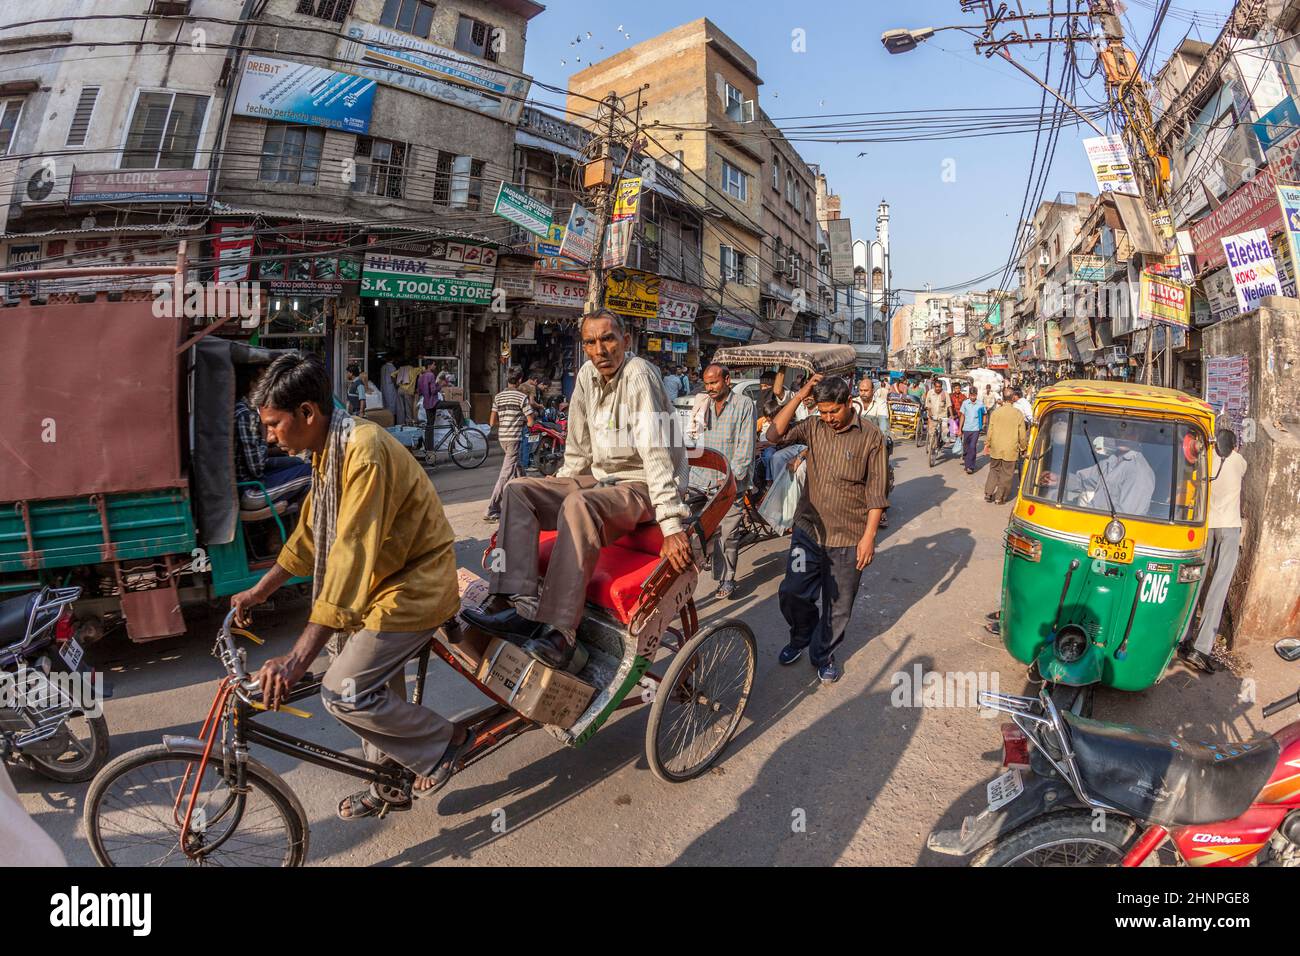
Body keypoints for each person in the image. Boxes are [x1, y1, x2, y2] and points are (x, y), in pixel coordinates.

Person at [230, 354, 468, 820]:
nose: (269, 435)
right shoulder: (327, 450)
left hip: (415, 586)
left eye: (274, 424)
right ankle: (388, 784)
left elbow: (349, 554)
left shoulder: (363, 450)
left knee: (344, 692)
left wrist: (297, 659)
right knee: (371, 688)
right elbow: (309, 538)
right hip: (381, 589)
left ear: (307, 414)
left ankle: (447, 741)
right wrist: (260, 590)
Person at [462, 310, 691, 670]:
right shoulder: (586, 376)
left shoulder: (639, 374)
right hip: (602, 481)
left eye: (608, 339)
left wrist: (673, 524)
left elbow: (655, 451)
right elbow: (578, 452)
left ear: (625, 341)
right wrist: (553, 493)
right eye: (590, 342)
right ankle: (511, 603)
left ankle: (561, 633)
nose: (600, 350)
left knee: (580, 504)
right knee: (519, 490)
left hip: (642, 484)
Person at [767, 374, 887, 683]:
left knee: (838, 606)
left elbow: (876, 491)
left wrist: (869, 538)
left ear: (849, 403)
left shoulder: (871, 437)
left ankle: (822, 652)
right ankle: (801, 636)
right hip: (808, 531)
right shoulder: (813, 427)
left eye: (833, 411)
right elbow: (773, 435)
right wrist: (800, 393)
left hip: (848, 538)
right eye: (822, 411)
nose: (828, 418)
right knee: (793, 591)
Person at [1182, 430, 1247, 673]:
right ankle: (1201, 649)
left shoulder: (1206, 461)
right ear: (1233, 445)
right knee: (1218, 588)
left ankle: (1183, 638)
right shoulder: (1238, 462)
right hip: (1228, 526)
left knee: (1195, 582)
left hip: (1206, 525)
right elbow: (1242, 466)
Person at [690, 364, 755, 599]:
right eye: (707, 384)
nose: (710, 388)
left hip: (731, 483)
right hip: (706, 479)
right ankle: (707, 562)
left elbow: (745, 448)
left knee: (728, 534)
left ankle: (728, 579)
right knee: (697, 526)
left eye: (714, 383)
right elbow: (698, 440)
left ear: (727, 380)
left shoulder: (743, 405)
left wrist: (730, 480)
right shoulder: (704, 403)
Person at [235, 366, 312, 504]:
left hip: (250, 479)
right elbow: (257, 468)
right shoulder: (245, 415)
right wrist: (265, 437)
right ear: (252, 384)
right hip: (250, 490)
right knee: (312, 473)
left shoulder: (244, 408)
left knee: (298, 462)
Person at [1045, 433, 1156, 516]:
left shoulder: (1140, 472)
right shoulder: (1111, 461)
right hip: (1093, 521)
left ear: (1139, 436)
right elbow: (1083, 480)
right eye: (1120, 429)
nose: (1123, 436)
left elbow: (1126, 517)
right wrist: (1057, 480)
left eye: (1130, 431)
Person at [484, 368, 535, 523]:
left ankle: (530, 498)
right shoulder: (521, 397)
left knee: (517, 467)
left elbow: (492, 421)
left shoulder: (498, 397)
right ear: (520, 380)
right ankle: (492, 509)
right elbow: (531, 420)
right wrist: (523, 422)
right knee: (506, 473)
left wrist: (505, 422)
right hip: (514, 438)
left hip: (503, 438)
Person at [983, 388, 1027, 504]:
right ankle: (999, 497)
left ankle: (988, 493)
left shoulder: (995, 412)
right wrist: (1023, 448)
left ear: (1003, 398)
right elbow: (1022, 435)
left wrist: (987, 444)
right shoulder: (1018, 414)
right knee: (1007, 474)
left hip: (996, 448)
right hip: (1010, 449)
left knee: (994, 470)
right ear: (1013, 398)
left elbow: (990, 430)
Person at [960, 385, 983, 474]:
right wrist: (960, 429)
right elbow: (962, 416)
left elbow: (984, 413)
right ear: (969, 395)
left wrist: (983, 424)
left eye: (974, 395)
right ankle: (967, 464)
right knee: (966, 448)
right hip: (966, 428)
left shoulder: (980, 404)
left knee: (972, 447)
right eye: (971, 395)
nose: (973, 397)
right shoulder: (965, 403)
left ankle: (971, 466)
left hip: (975, 429)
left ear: (976, 395)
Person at [924, 378, 949, 449]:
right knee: (931, 432)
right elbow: (927, 404)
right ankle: (933, 444)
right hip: (932, 415)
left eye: (939, 387)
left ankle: (942, 441)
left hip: (943, 416)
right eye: (936, 387)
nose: (938, 388)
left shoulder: (945, 394)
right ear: (934, 386)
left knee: (945, 431)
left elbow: (949, 405)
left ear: (941, 387)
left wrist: (952, 415)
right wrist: (929, 412)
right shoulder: (930, 392)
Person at [380, 357, 402, 425]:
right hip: (391, 388)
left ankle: (386, 422)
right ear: (392, 360)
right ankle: (391, 422)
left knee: (386, 404)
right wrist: (397, 385)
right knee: (392, 406)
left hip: (384, 387)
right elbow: (394, 378)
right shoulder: (392, 368)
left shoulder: (383, 367)